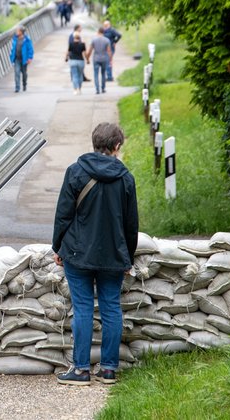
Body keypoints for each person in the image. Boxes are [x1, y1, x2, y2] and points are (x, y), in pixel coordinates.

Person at [52, 122, 139, 387]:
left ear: (94, 143)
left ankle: (80, 370)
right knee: (111, 307)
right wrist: (128, 257)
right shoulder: (125, 178)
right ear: (117, 147)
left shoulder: (75, 172)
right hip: (113, 255)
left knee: (83, 309)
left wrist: (58, 248)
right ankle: (109, 370)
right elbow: (130, 223)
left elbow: (63, 215)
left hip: (78, 253)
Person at [86, 27, 112, 94]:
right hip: (104, 59)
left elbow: (90, 50)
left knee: (96, 74)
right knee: (103, 73)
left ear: (98, 32)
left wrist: (87, 58)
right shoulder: (107, 40)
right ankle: (103, 88)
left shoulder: (94, 40)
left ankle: (97, 89)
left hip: (96, 59)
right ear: (103, 32)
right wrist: (110, 60)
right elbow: (109, 51)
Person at [9, 26, 34, 93]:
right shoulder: (15, 39)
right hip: (17, 59)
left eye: (18, 31)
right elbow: (12, 49)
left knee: (24, 73)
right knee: (16, 72)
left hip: (24, 59)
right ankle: (17, 87)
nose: (16, 32)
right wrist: (11, 56)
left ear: (21, 32)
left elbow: (30, 49)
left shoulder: (27, 40)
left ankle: (24, 84)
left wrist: (30, 58)